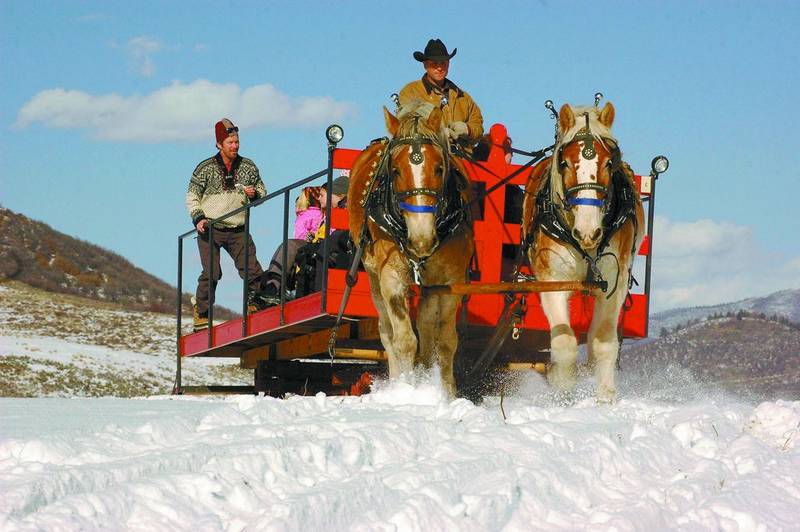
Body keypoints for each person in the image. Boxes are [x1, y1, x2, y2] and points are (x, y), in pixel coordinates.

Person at [186, 118, 270, 331]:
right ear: (219, 145)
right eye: (230, 142)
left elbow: (263, 191)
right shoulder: (205, 168)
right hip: (210, 228)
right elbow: (192, 196)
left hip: (238, 229)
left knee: (252, 269)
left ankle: (255, 306)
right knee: (212, 272)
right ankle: (202, 312)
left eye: (237, 142)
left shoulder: (249, 166)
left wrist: (254, 194)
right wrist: (198, 218)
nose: (234, 146)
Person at [262, 174, 350, 301]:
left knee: (310, 252)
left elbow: (336, 235)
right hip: (318, 244)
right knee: (290, 245)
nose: (321, 199)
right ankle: (273, 287)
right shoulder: (326, 213)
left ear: (341, 196)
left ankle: (310, 294)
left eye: (329, 195)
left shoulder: (343, 211)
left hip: (331, 247)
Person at [399, 38, 484, 152]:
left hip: (462, 162)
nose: (439, 68)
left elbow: (478, 126)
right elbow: (406, 126)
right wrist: (439, 133)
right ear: (425, 65)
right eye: (434, 64)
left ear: (448, 64)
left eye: (443, 63)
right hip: (428, 159)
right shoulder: (410, 92)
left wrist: (468, 129)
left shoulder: (463, 97)